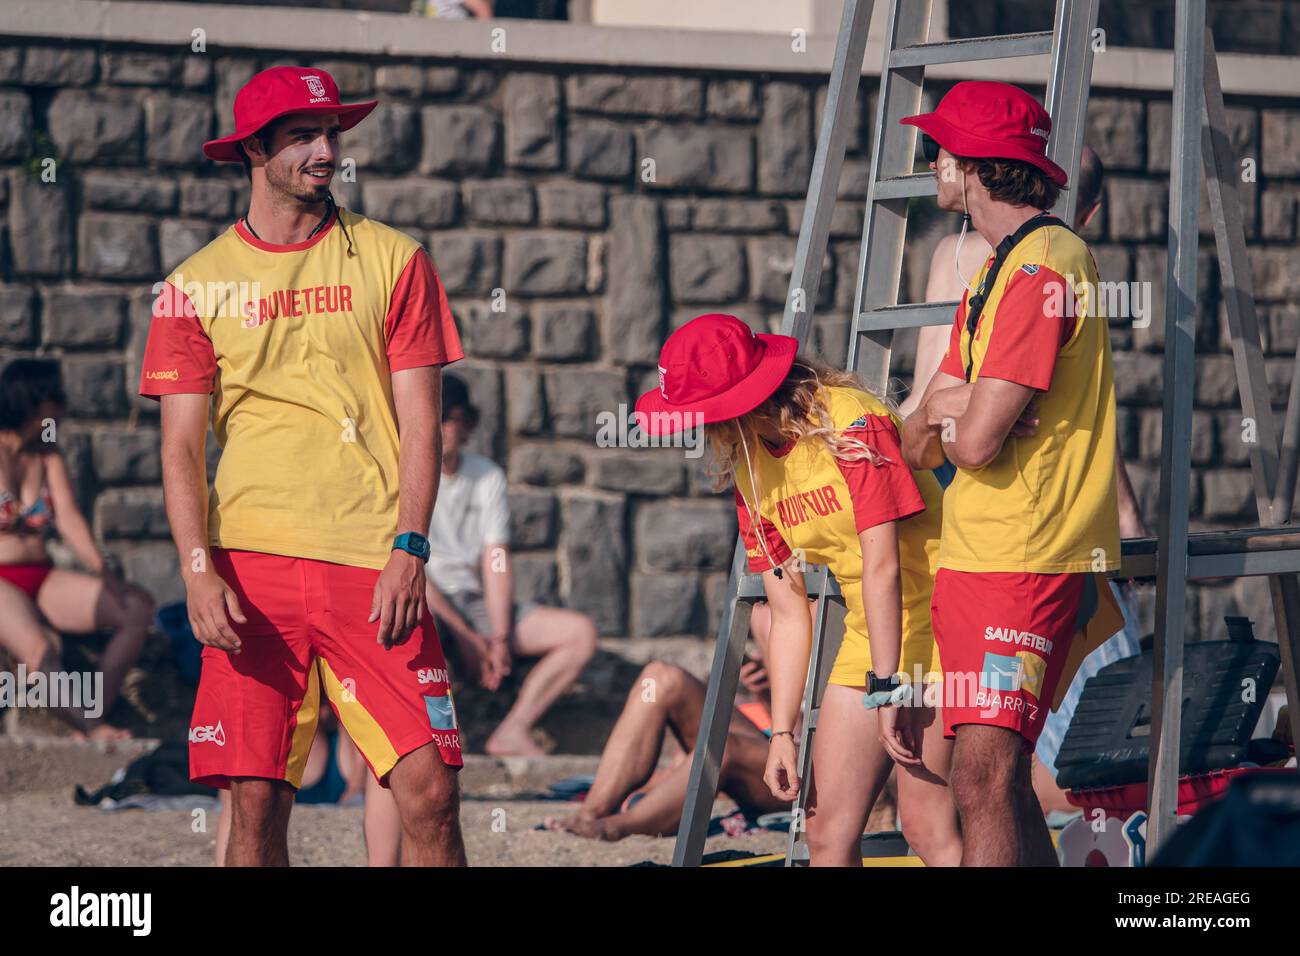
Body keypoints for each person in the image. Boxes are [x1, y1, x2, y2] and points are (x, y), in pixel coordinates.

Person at [140, 66, 467, 867]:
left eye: (333, 136)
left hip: (372, 561)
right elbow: (180, 449)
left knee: (431, 787)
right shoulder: (191, 288)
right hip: (250, 567)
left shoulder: (396, 259)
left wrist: (411, 547)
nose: (327, 152)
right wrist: (194, 569)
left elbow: (421, 425)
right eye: (303, 137)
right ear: (254, 148)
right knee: (254, 804)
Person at [632, 313, 961, 867]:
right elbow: (786, 611)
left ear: (735, 404)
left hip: (941, 618)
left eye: (697, 416)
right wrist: (782, 731)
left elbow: (883, 563)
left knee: (926, 825)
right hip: (871, 631)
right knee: (826, 832)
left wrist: (888, 689)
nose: (694, 430)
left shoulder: (852, 421)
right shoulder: (749, 464)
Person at [899, 81, 1121, 866]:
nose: (929, 162)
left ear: (975, 167)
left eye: (940, 150)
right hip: (979, 556)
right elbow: (919, 438)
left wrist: (956, 413)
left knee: (983, 777)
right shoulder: (999, 268)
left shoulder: (1044, 264)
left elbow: (974, 443)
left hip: (1023, 557)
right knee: (998, 781)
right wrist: (953, 411)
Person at [425, 373, 598, 756]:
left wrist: (499, 638)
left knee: (579, 634)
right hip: (431, 604)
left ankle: (513, 730)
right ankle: (438, 740)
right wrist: (469, 639)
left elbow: (495, 559)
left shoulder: (486, 476)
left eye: (447, 418)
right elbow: (411, 571)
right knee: (418, 630)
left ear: (466, 423)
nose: (439, 427)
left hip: (476, 603)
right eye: (431, 416)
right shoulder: (407, 474)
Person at [0, 359, 153, 740]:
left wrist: (104, 573)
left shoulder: (47, 455)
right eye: (58, 397)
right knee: (37, 648)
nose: (64, 408)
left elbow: (69, 520)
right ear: (36, 401)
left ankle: (90, 711)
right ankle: (93, 728)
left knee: (135, 607)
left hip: (40, 575)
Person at [544, 606, 789, 841]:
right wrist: (766, 694)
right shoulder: (768, 612)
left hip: (812, 767)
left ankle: (619, 827)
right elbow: (788, 725)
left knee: (721, 745)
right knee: (661, 677)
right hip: (783, 742)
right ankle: (591, 812)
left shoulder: (820, 605)